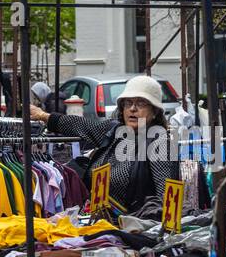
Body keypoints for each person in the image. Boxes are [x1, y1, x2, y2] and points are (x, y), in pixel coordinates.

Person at [29, 74, 179, 215]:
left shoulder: (160, 143)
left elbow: (168, 198)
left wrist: (143, 228)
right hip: (96, 223)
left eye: (141, 103)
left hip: (133, 229)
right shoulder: (115, 131)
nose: (133, 108)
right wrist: (44, 116)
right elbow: (82, 125)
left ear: (154, 112)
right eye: (128, 103)